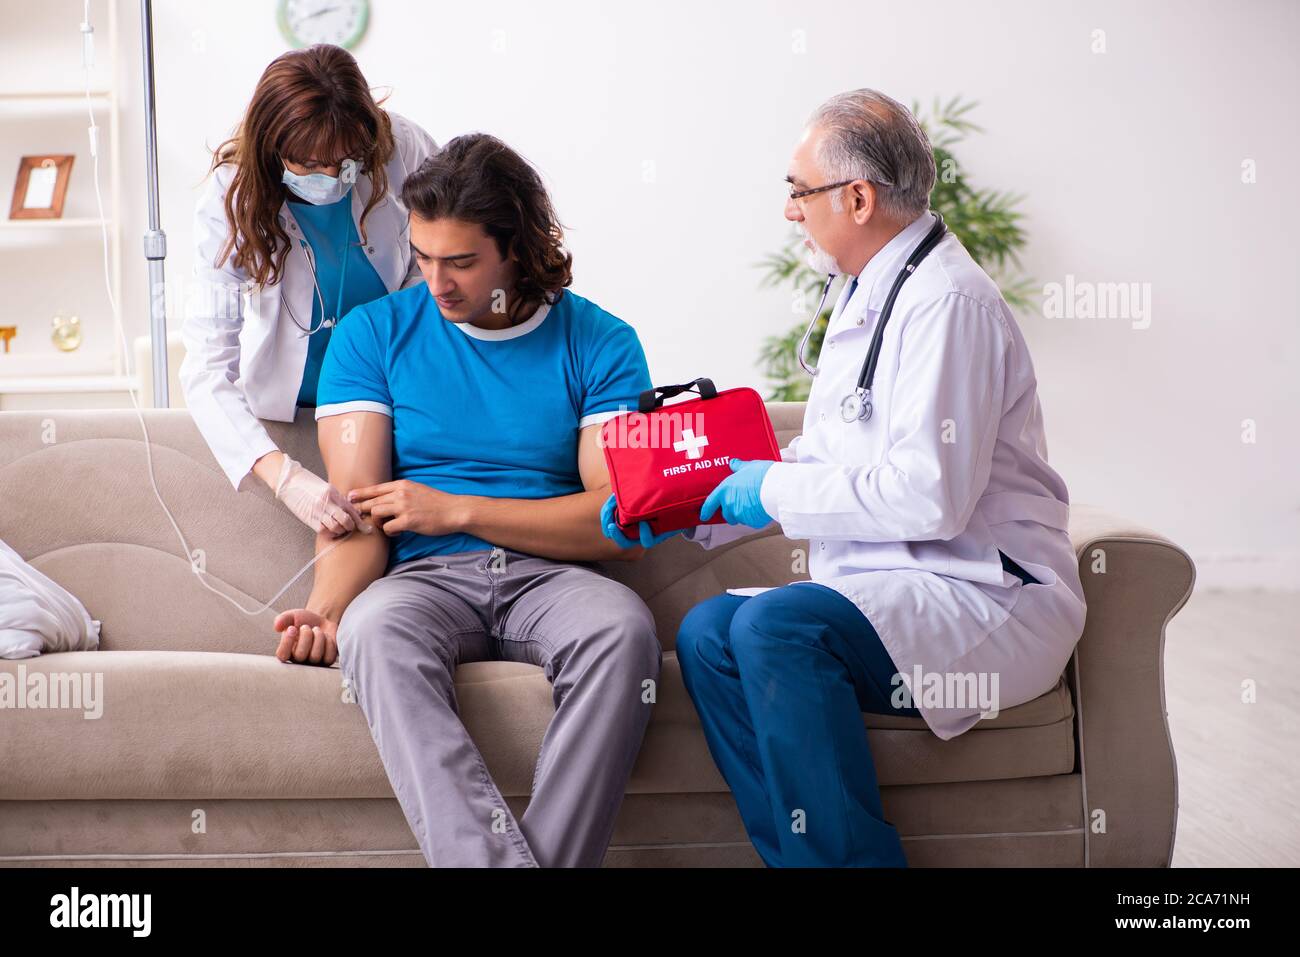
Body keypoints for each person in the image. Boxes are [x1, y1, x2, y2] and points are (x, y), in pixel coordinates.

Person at [603, 89, 1087, 867]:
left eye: (798, 191)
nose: (791, 212)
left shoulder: (947, 304)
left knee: (775, 625)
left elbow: (930, 495)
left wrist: (763, 488)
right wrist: (689, 509)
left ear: (857, 198)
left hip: (988, 595)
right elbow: (827, 460)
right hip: (900, 585)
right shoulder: (870, 290)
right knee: (708, 632)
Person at [270, 133, 662, 868]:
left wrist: (455, 508)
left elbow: (616, 519)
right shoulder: (373, 336)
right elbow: (358, 513)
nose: (436, 282)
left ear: (516, 248)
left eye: (461, 262)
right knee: (374, 631)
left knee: (624, 632)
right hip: (422, 583)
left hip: (555, 575)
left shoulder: (602, 343)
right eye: (422, 257)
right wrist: (324, 613)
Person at [180, 44, 438, 536]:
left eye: (346, 161)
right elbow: (207, 368)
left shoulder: (403, 146)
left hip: (395, 392)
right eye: (309, 164)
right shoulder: (228, 198)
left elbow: (446, 243)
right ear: (272, 149)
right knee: (351, 536)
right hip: (292, 410)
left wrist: (402, 318)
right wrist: (284, 476)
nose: (331, 177)